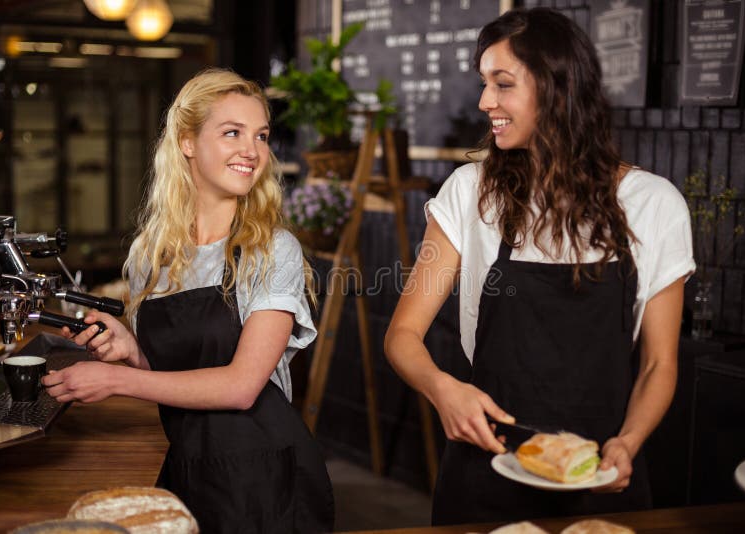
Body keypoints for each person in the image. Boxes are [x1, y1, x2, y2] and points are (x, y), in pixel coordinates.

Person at [384, 7, 694, 525]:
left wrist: (630, 442)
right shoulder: (469, 192)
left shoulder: (653, 204)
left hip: (599, 473)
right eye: (484, 83)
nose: (485, 102)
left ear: (557, 89)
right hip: (485, 476)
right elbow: (402, 335)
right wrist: (443, 389)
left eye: (502, 84)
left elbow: (660, 365)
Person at [42, 68, 335, 533]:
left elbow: (241, 386)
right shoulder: (152, 255)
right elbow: (178, 376)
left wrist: (116, 380)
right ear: (187, 141)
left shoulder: (271, 249)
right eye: (232, 133)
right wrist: (132, 352)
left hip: (264, 479)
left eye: (260, 135)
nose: (252, 151)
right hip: (185, 466)